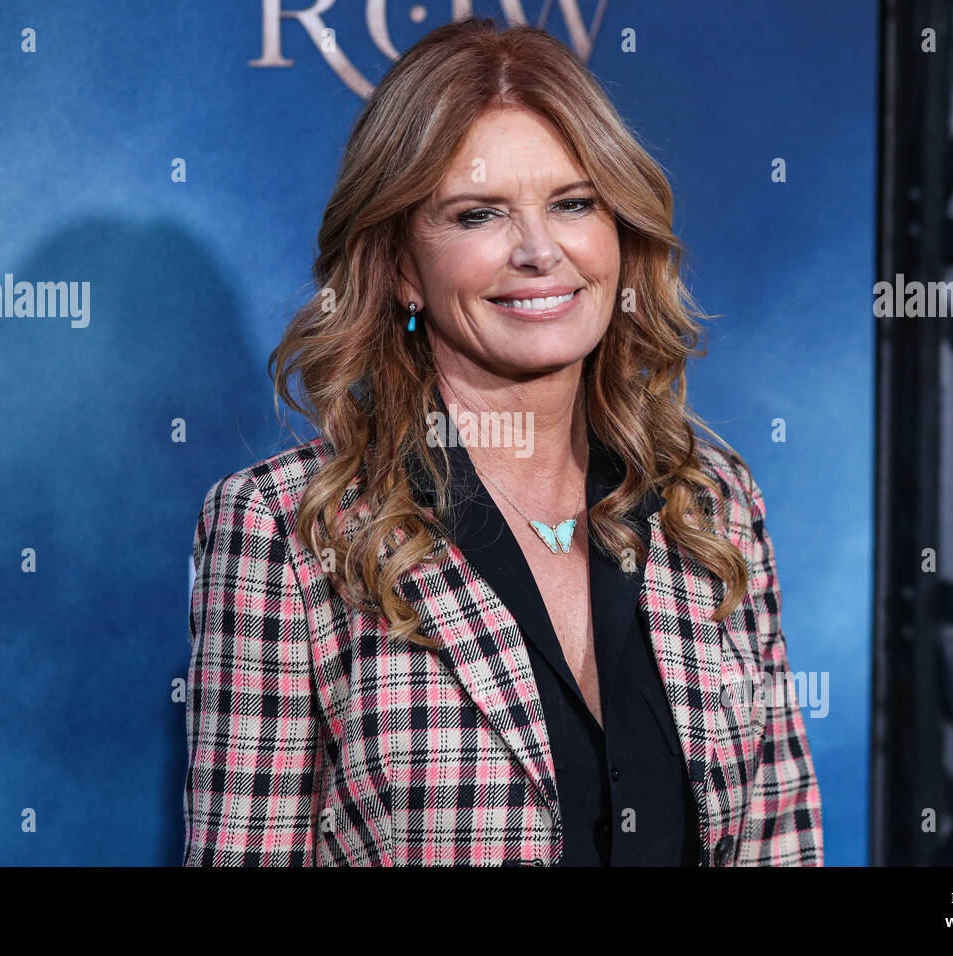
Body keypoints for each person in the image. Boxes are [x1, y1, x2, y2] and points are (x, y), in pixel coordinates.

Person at [182, 16, 822, 866]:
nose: (538, 251)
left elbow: (779, 847)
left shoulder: (710, 501)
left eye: (573, 203)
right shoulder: (285, 531)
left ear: (621, 235)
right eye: (478, 214)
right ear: (403, 266)